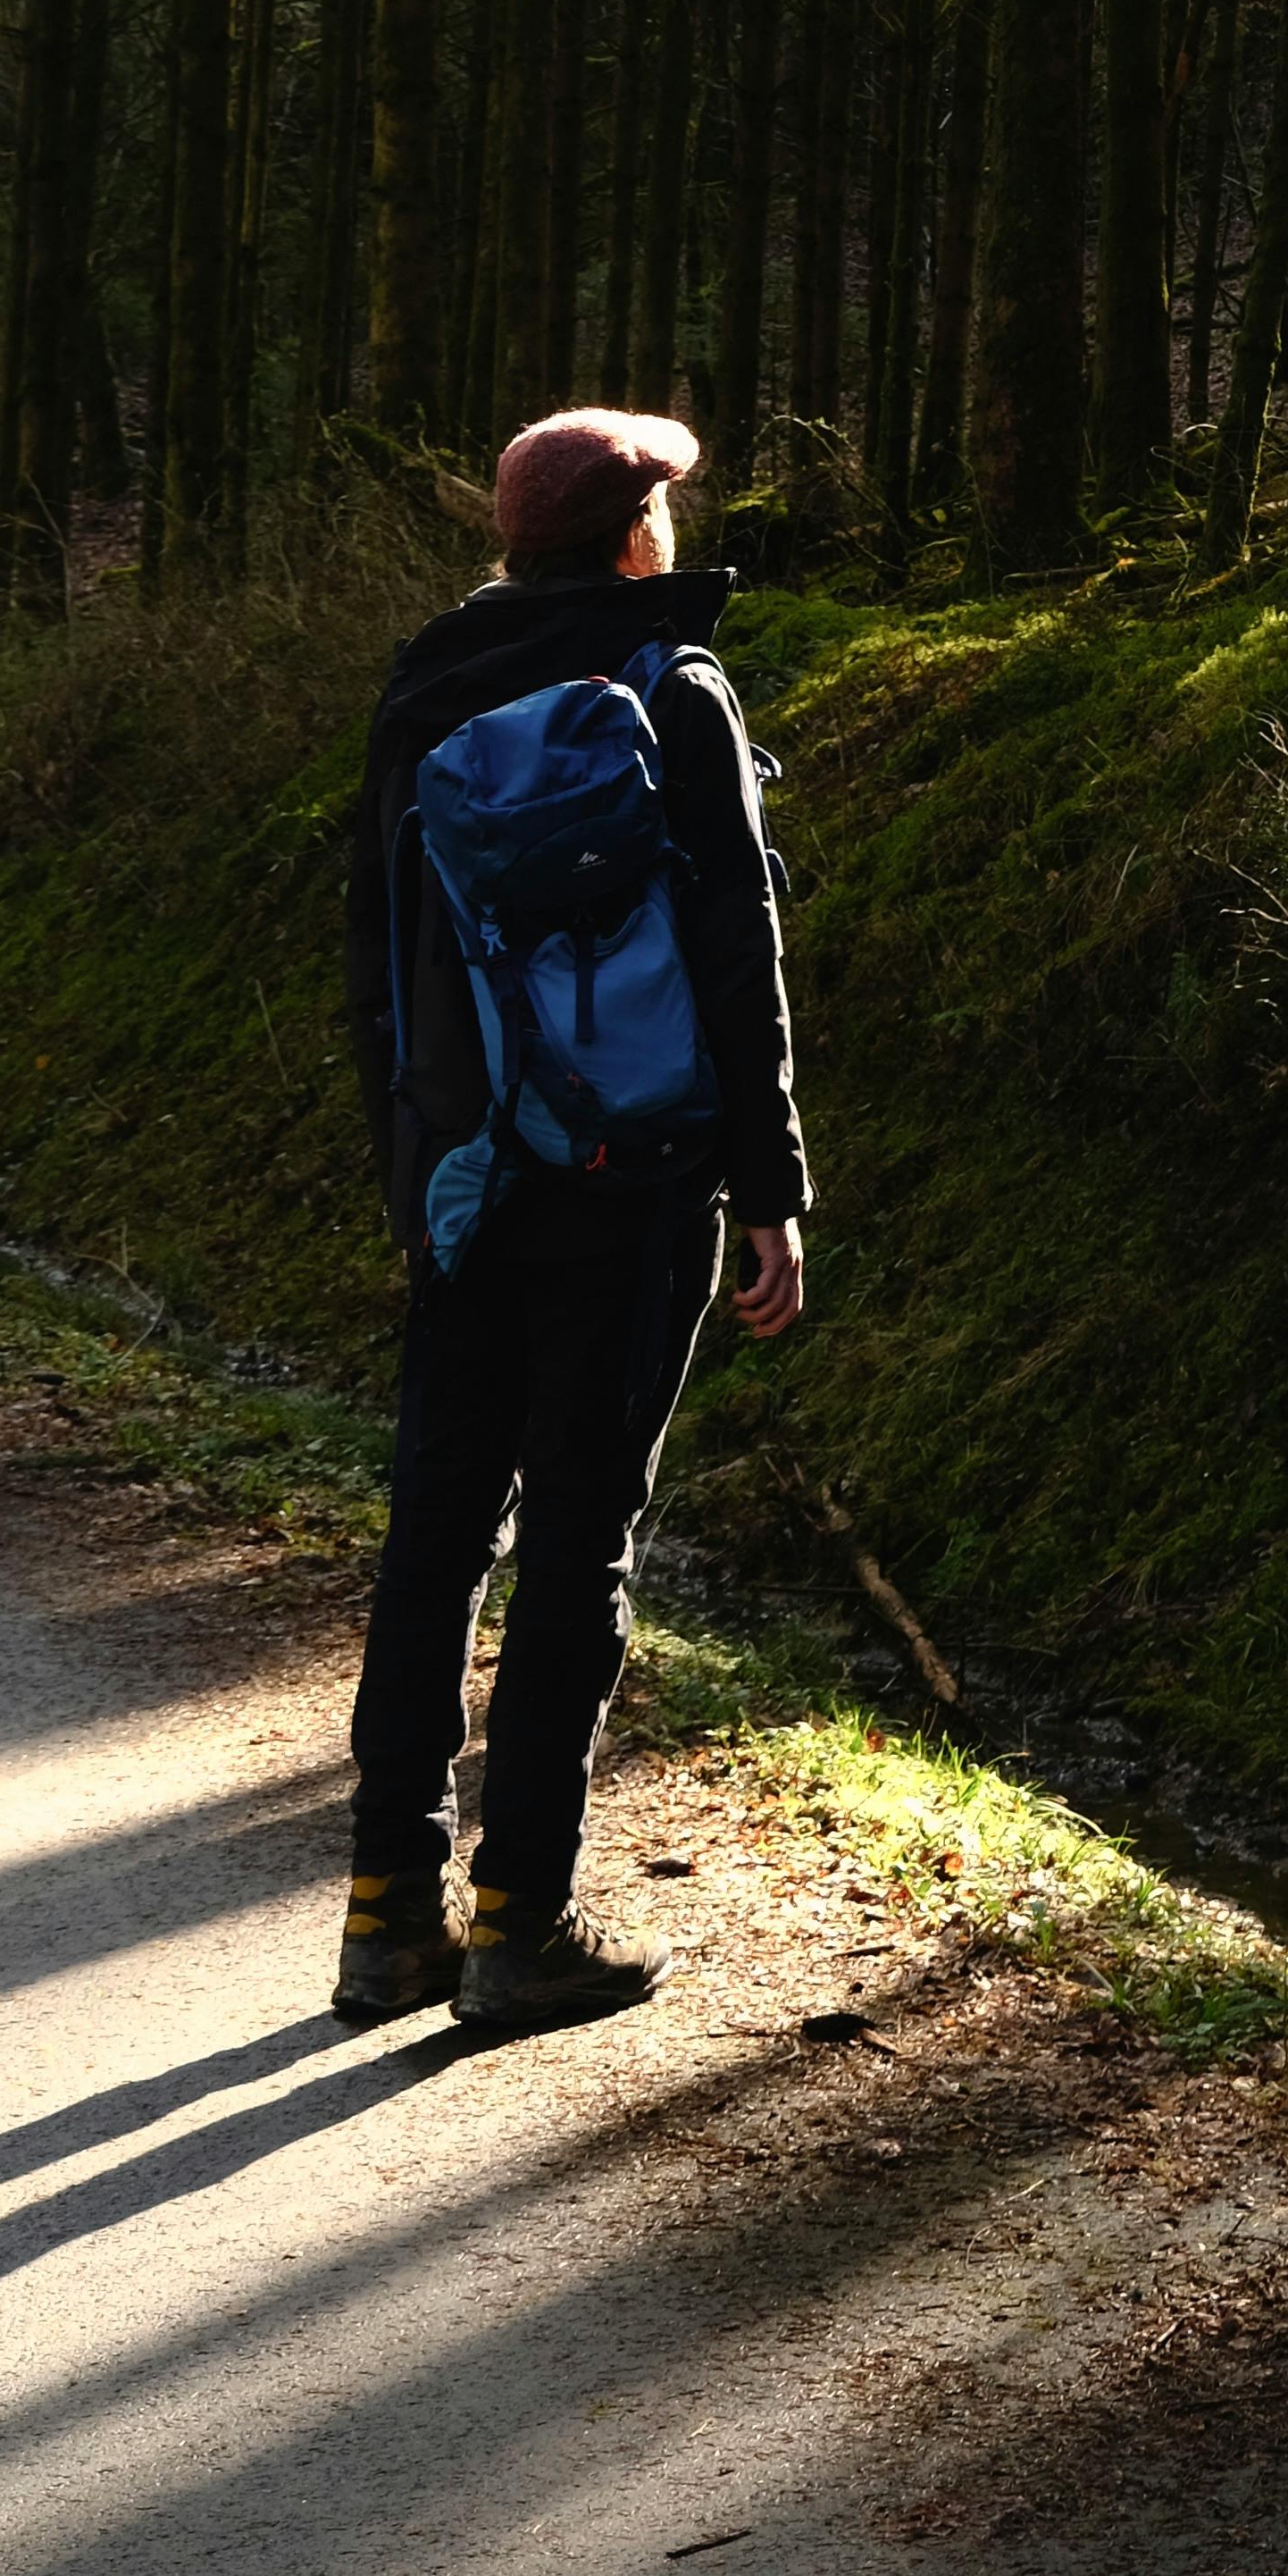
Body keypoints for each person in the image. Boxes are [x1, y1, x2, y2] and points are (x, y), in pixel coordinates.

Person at [332, 404, 811, 2031]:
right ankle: (521, 1925)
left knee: (437, 1524)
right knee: (578, 1541)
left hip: (464, 1186)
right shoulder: (674, 689)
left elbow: (373, 955)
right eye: (661, 510)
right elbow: (740, 961)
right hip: (633, 1184)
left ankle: (386, 1915)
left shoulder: (425, 682)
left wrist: (413, 1165)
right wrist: (774, 1190)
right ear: (629, 536)